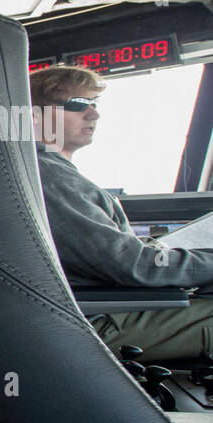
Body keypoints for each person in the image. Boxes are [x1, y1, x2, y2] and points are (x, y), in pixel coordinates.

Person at [31, 64, 213, 362]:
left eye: (94, 104)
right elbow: (135, 266)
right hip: (91, 321)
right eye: (77, 105)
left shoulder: (51, 172)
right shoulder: (50, 178)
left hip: (98, 309)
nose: (94, 115)